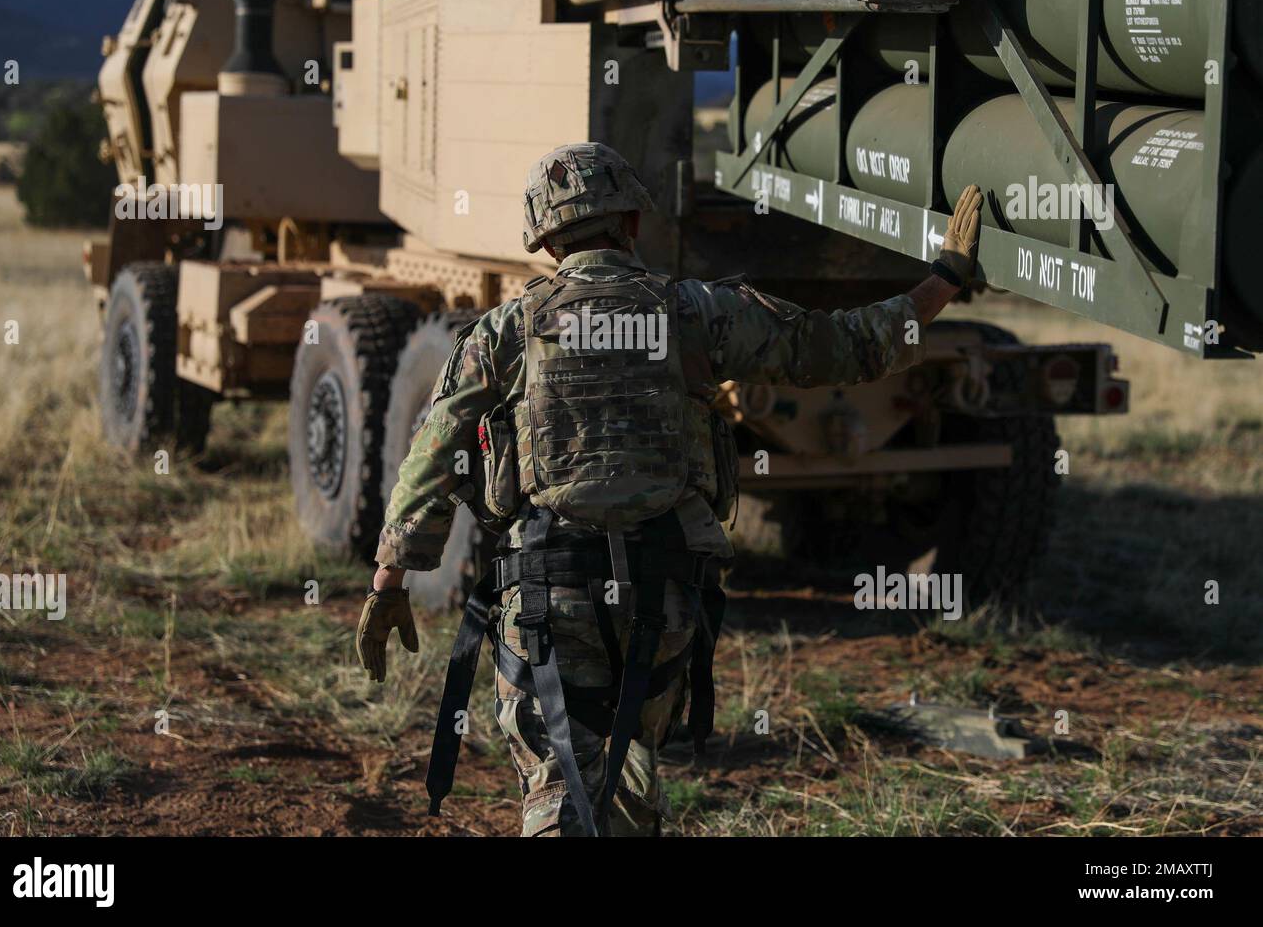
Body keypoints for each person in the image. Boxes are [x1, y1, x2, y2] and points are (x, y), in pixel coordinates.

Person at [356, 141, 983, 836]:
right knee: (631, 773)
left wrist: (391, 576)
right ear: (630, 223)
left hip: (545, 591)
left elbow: (433, 451)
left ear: (544, 240)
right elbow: (844, 346)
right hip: (665, 594)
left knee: (558, 786)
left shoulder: (508, 330)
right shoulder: (695, 311)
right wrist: (944, 279)